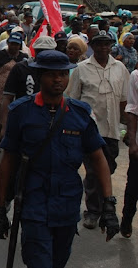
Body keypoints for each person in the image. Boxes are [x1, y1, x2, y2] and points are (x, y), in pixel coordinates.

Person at [0, 50, 120, 268]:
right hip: (33, 204)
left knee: (58, 261)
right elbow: (8, 162)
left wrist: (109, 205)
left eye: (63, 74)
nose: (58, 79)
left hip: (67, 206)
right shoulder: (21, 111)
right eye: (52, 74)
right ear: (40, 75)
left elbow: (98, 159)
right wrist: (0, 208)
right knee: (39, 262)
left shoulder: (80, 113)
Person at [66, 31, 129, 229]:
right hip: (89, 130)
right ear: (93, 46)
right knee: (93, 171)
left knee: (108, 169)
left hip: (112, 129)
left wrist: (126, 128)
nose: (103, 48)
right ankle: (93, 211)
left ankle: (104, 205)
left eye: (107, 44)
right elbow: (72, 100)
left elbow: (124, 100)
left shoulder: (119, 68)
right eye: (99, 44)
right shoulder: (81, 69)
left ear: (111, 46)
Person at [0, 32, 28, 153]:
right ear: (8, 43)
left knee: (14, 117)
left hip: (16, 91)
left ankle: (9, 141)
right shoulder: (0, 55)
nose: (14, 47)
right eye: (12, 44)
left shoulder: (24, 57)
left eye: (17, 44)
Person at [122, 64, 138, 238]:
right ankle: (127, 219)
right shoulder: (136, 76)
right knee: (133, 187)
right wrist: (132, 141)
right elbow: (132, 109)